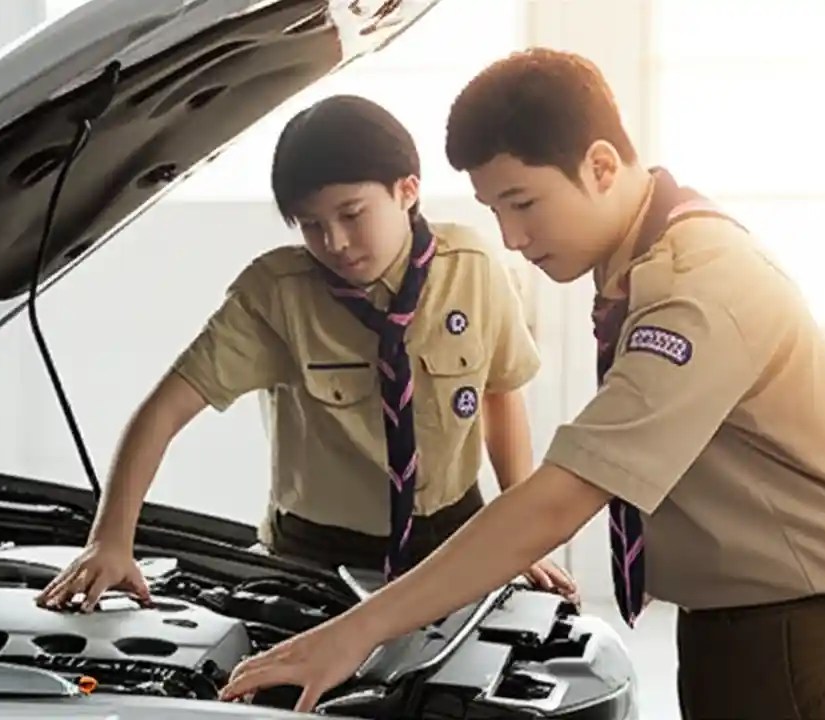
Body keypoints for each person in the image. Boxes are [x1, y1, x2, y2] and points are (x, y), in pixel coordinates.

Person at [219, 50, 825, 720]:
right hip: (745, 622)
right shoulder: (648, 258)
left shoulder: (698, 289)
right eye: (494, 209)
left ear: (600, 166)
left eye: (522, 202)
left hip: (794, 635)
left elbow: (563, 497)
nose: (512, 237)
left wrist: (354, 634)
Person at [35, 93, 577, 612]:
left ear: (407, 190)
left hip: (458, 537)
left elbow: (499, 393)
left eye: (352, 214)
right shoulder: (276, 296)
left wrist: (519, 531)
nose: (335, 243)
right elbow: (162, 412)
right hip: (317, 557)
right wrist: (111, 539)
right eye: (312, 226)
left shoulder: (472, 266)